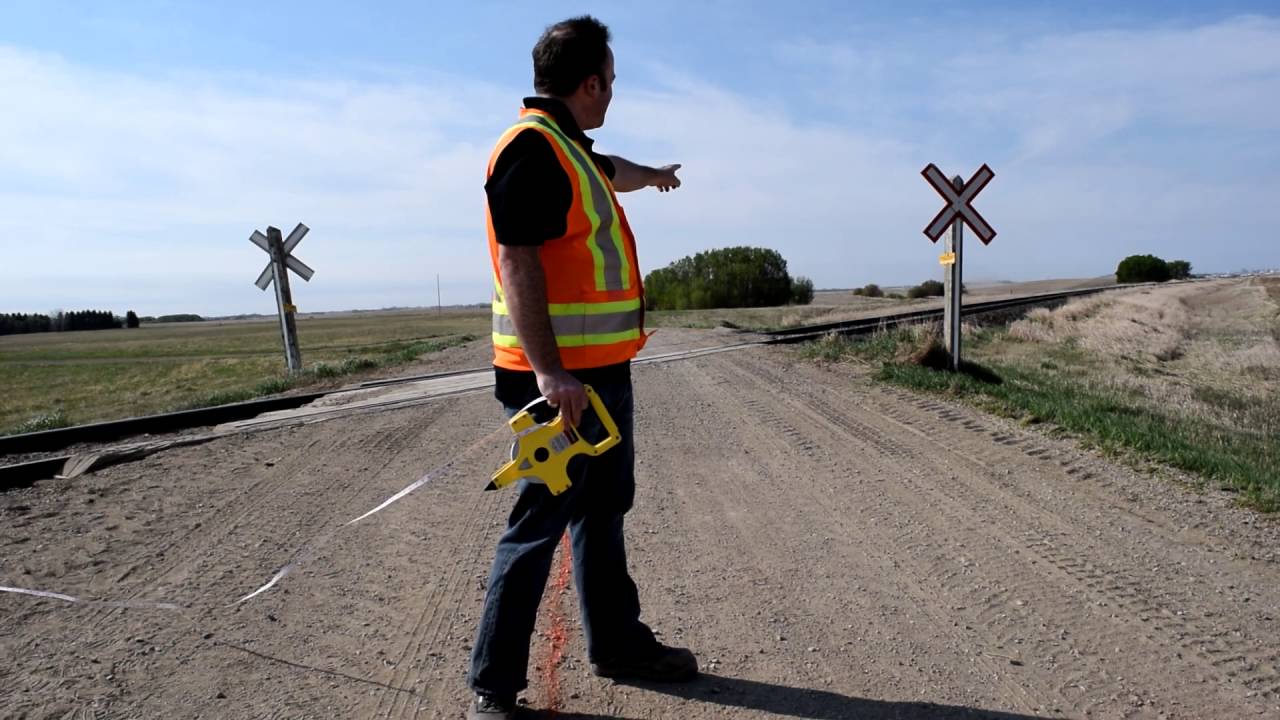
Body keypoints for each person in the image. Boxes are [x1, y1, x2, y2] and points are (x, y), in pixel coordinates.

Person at [467, 15, 696, 720]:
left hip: (600, 373)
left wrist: (653, 175)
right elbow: (517, 259)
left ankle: (618, 646)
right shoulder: (532, 152)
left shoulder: (569, 148)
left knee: (602, 510)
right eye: (612, 81)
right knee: (539, 524)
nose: (613, 93)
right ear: (590, 81)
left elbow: (610, 171)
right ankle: (493, 690)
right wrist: (549, 374)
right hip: (561, 381)